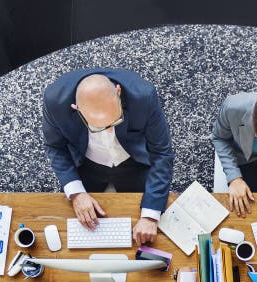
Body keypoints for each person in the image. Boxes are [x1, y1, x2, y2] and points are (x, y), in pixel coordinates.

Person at [42, 69, 174, 245]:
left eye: (116, 121)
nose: (110, 131)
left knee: (150, 225)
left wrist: (150, 216)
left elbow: (162, 153)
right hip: (85, 163)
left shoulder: (145, 96)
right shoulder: (54, 101)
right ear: (77, 109)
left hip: (134, 161)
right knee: (71, 224)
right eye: (98, 127)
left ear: (118, 92)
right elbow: (55, 146)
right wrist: (76, 193)